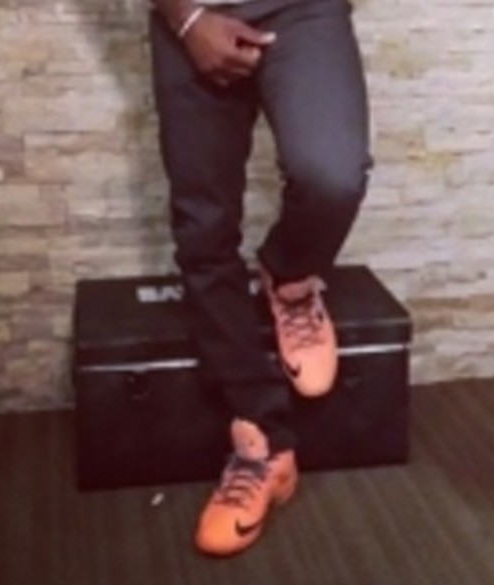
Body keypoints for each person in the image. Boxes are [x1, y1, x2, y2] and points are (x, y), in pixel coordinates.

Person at [148, 0, 372, 556]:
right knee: (203, 226)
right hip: (191, 12)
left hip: (303, 10)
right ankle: (263, 443)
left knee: (332, 176)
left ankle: (291, 278)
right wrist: (187, 19)